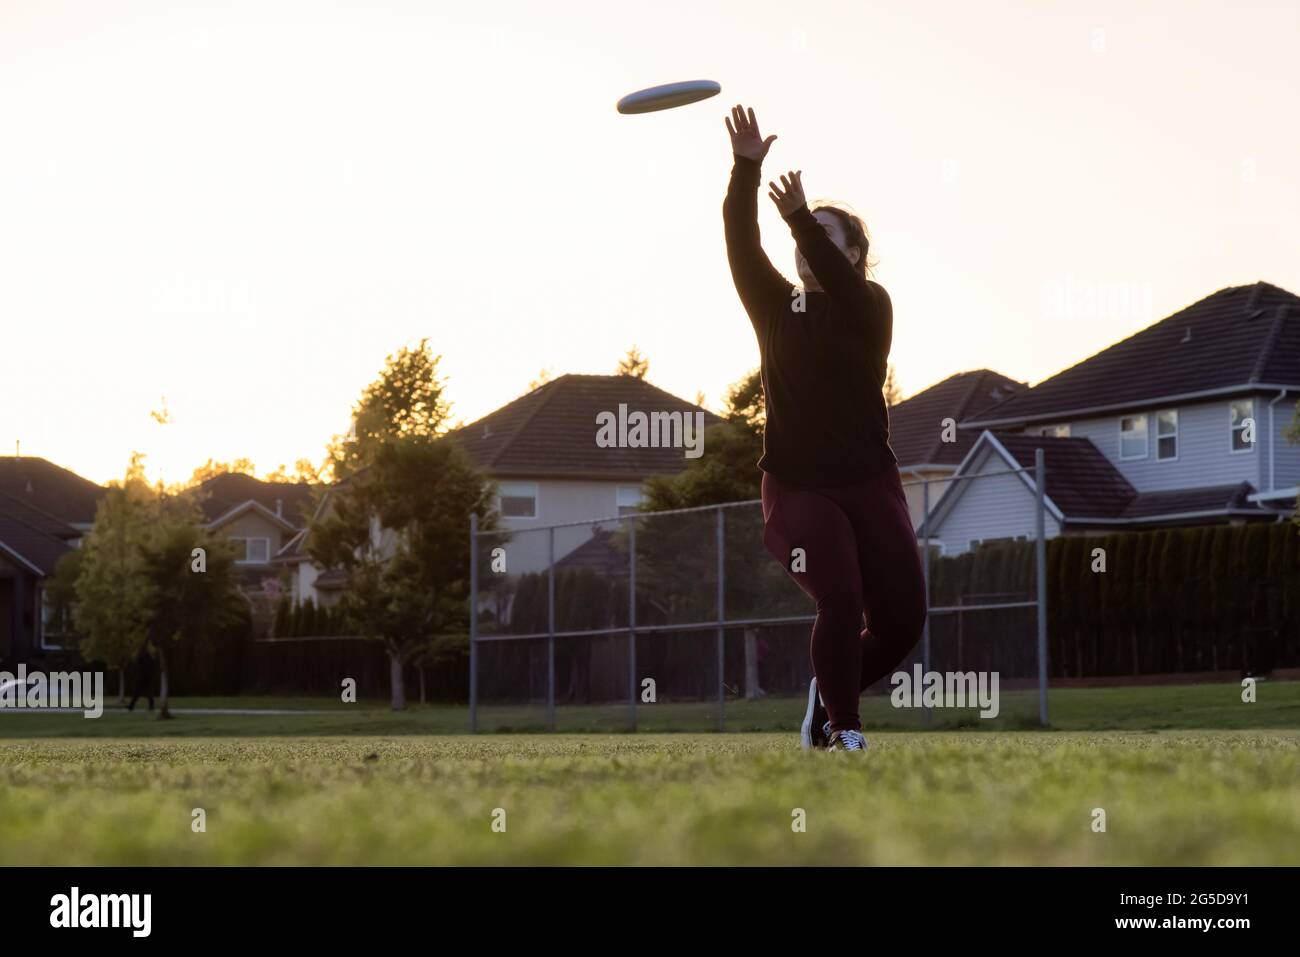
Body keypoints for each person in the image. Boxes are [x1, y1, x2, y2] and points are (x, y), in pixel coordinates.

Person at [722, 104, 926, 753]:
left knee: (901, 621)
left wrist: (802, 218)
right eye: (808, 236)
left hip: (870, 482)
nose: (809, 244)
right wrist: (745, 170)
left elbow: (839, 279)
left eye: (829, 235)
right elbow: (740, 241)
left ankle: (826, 694)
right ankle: (844, 728)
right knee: (838, 593)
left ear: (857, 254)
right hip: (797, 487)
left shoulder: (871, 307)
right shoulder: (776, 306)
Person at [127, 643, 155, 712]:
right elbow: (152, 667)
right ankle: (151, 706)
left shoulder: (140, 657)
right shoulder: (148, 657)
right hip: (146, 677)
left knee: (137, 693)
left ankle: (131, 706)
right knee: (149, 693)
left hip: (141, 678)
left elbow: (138, 668)